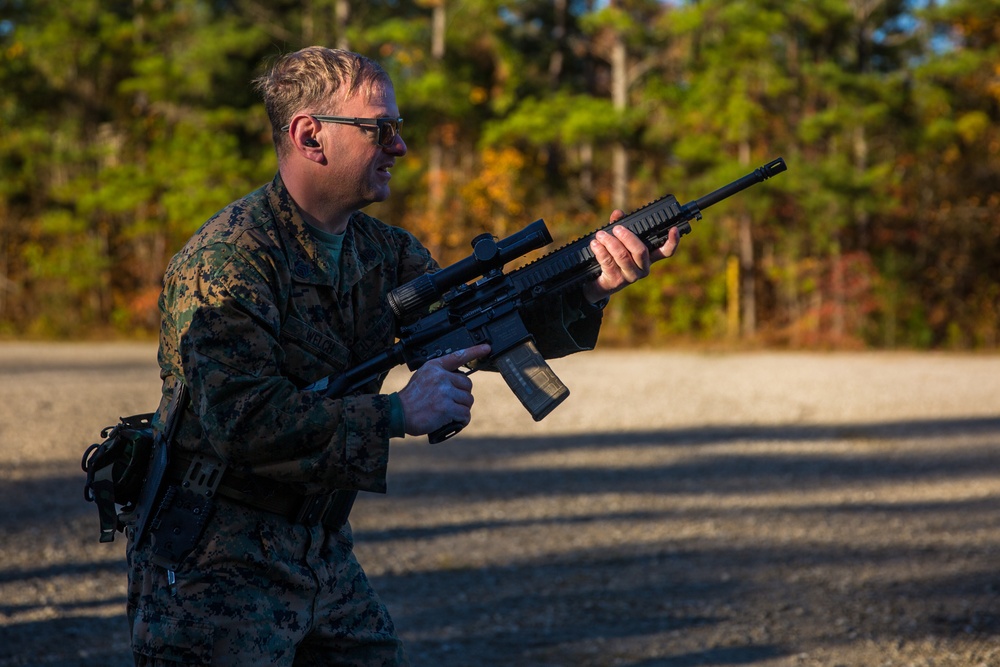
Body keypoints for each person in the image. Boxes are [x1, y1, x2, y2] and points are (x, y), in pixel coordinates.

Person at [125, 46, 681, 666]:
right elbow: (242, 421)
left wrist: (588, 283)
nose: (400, 147)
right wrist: (394, 414)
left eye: (398, 129)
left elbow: (479, 327)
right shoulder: (227, 261)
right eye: (380, 129)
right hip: (215, 560)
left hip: (319, 545)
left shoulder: (383, 251)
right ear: (310, 135)